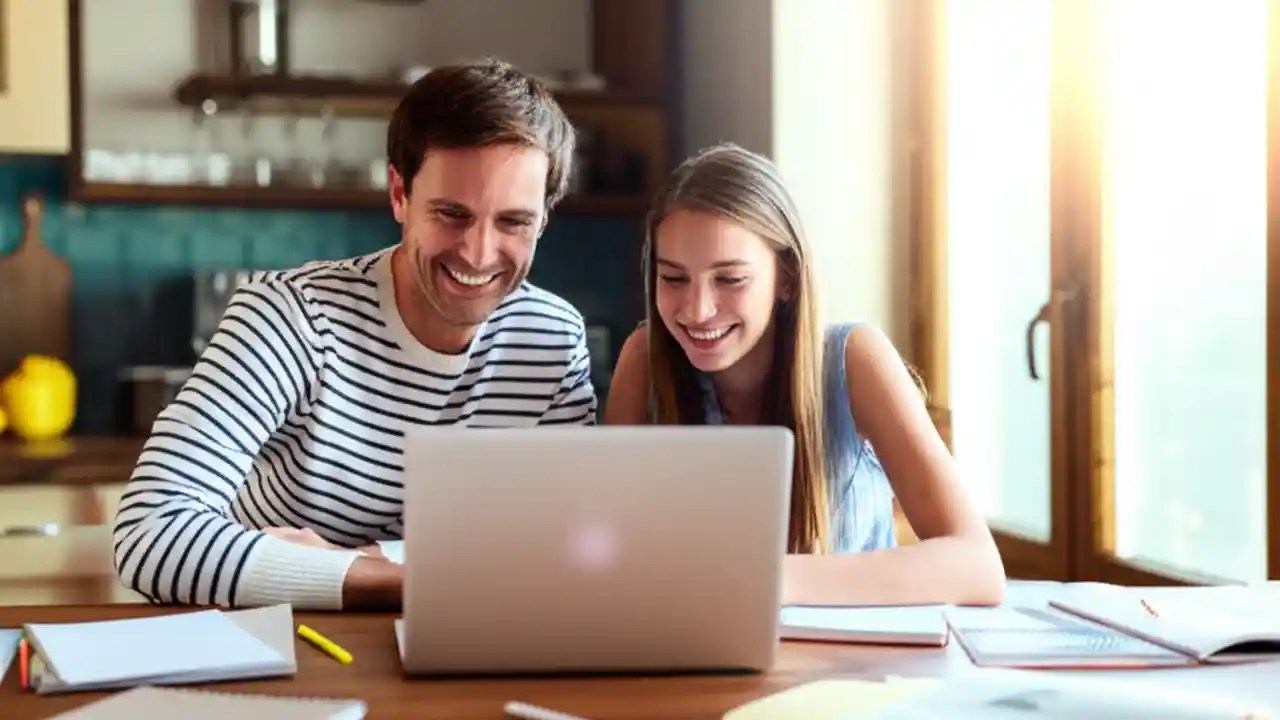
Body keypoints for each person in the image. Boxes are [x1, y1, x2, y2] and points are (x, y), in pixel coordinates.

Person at [111, 59, 597, 611]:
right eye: (451, 214)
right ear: (399, 194)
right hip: (283, 641)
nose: (479, 253)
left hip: (460, 643)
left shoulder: (551, 340)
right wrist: (397, 579)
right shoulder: (289, 317)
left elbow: (559, 545)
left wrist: (361, 558)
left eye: (514, 222)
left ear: (543, 221)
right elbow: (149, 535)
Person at [605, 143, 1005, 607]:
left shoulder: (856, 359)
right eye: (673, 278)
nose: (697, 310)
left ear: (787, 278)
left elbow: (977, 566)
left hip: (854, 671)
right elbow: (608, 552)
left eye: (730, 279)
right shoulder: (643, 360)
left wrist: (762, 578)